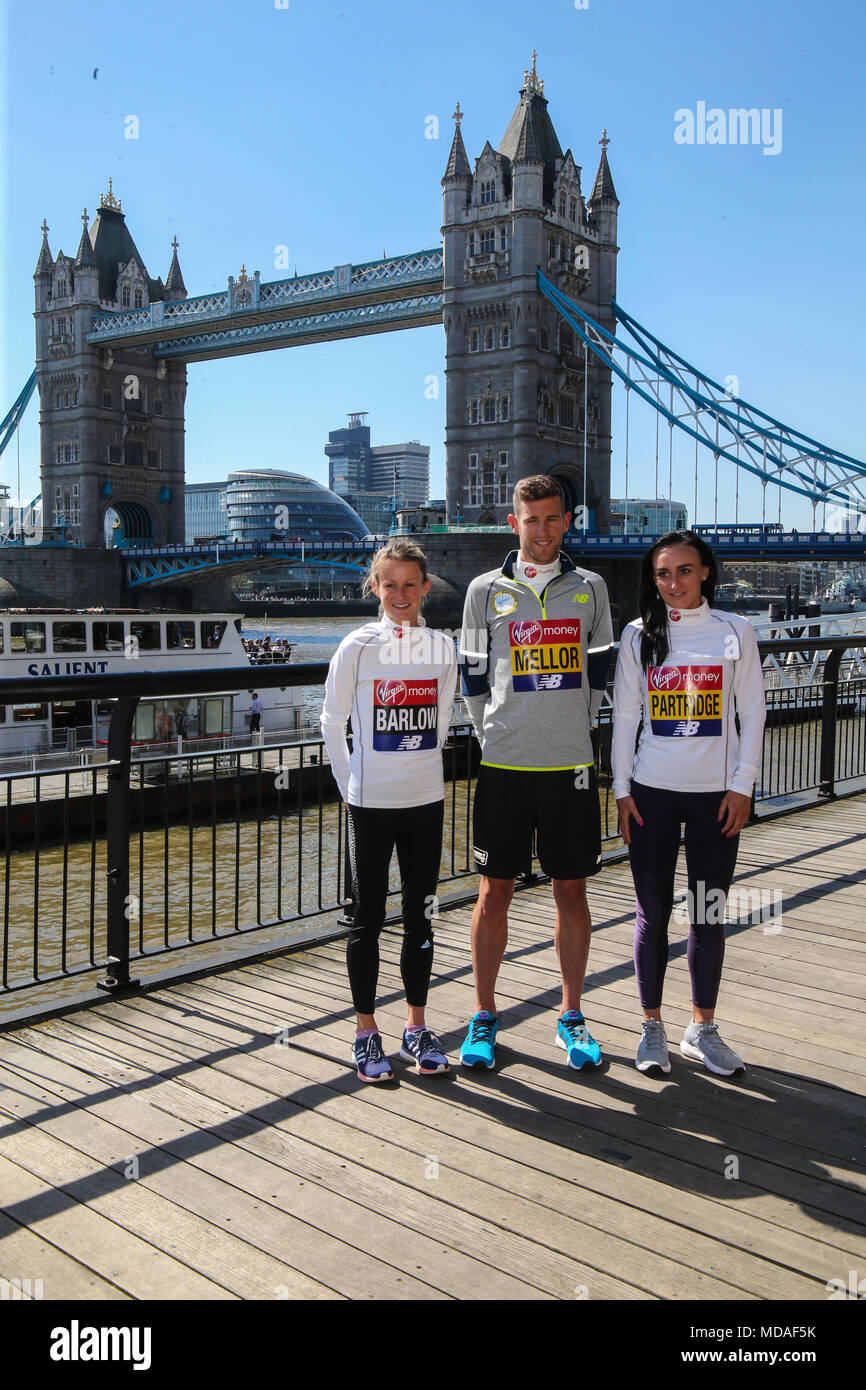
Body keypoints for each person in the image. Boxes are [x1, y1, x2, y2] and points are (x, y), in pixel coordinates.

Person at [458, 476, 614, 1071]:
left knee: (570, 891)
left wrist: (574, 722)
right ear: (512, 522)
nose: (542, 531)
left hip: (570, 765)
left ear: (568, 521)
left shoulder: (591, 589)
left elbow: (600, 671)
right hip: (503, 763)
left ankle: (571, 1015)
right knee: (493, 891)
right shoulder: (482, 590)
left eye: (553, 519)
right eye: (531, 520)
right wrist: (491, 728)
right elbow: (472, 673)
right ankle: (484, 1015)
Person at [612, 530, 766, 1077]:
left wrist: (742, 785)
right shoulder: (637, 636)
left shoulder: (735, 631)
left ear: (705, 572)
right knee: (652, 915)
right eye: (662, 573)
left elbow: (753, 712)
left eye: (684, 570)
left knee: (708, 913)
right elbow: (627, 717)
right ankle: (651, 1027)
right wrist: (622, 789)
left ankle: (702, 1028)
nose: (673, 582)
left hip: (716, 798)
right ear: (652, 580)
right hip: (651, 791)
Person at [320, 539, 458, 1082]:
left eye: (410, 583)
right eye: (389, 583)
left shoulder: (442, 648)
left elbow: (443, 721)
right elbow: (331, 722)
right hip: (370, 805)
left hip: (425, 800)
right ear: (373, 588)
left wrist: (421, 767)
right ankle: (365, 1030)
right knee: (367, 920)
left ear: (426, 588)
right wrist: (349, 782)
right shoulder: (356, 646)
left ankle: (416, 1026)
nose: (399, 594)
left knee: (421, 916)